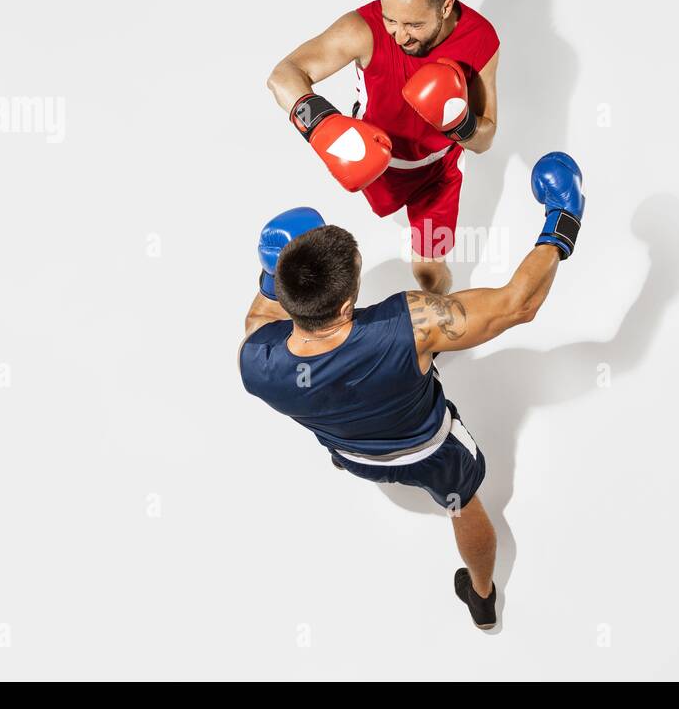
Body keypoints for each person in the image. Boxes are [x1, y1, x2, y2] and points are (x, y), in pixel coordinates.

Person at [238, 153, 584, 628]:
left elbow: (258, 320)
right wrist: (562, 219)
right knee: (464, 505)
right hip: (431, 451)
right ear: (345, 305)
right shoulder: (413, 325)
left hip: (353, 455)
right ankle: (482, 598)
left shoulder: (257, 364)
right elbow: (517, 305)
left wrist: (275, 277)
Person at [266, 0, 501, 295]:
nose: (400, 36)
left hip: (437, 172)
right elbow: (282, 76)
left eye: (414, 25)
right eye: (392, 20)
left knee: (429, 273)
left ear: (445, 7)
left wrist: (461, 123)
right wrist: (323, 128)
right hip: (376, 158)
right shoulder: (364, 28)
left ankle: (434, 345)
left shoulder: (480, 39)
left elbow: (486, 138)